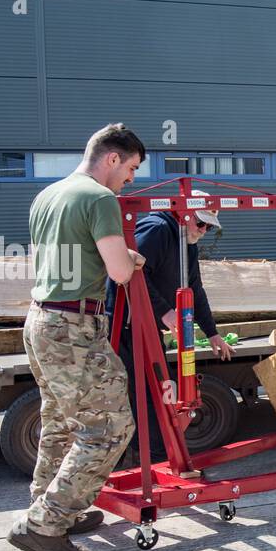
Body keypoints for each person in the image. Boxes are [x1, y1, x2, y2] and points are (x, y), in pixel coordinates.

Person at [8, 123, 147, 551]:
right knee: (110, 429)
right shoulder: (99, 198)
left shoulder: (47, 195)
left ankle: (47, 507)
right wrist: (134, 257)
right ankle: (45, 525)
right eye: (131, 168)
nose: (131, 179)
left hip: (42, 319)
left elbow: (69, 256)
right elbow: (120, 272)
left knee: (61, 423)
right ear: (112, 158)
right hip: (73, 326)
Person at [107, 189, 234, 461]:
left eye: (208, 227)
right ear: (183, 213)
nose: (203, 230)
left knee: (158, 392)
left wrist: (212, 333)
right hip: (124, 327)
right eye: (200, 223)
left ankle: (155, 457)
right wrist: (164, 311)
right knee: (137, 395)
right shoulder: (156, 231)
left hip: (147, 328)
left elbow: (195, 289)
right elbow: (128, 274)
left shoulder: (186, 243)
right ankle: (145, 460)